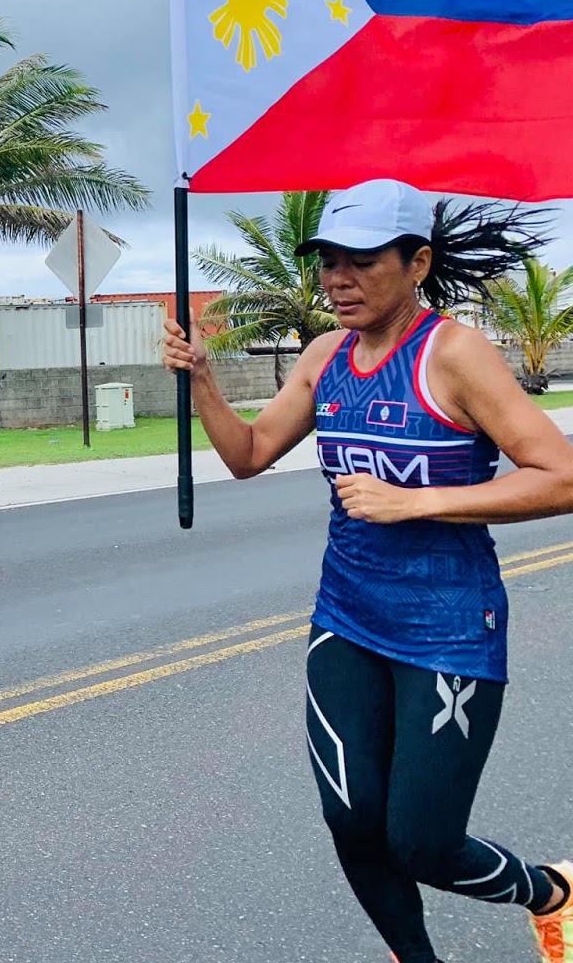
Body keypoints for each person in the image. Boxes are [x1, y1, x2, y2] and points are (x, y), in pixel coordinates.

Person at [162, 178, 573, 963]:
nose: (338, 280)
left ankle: (551, 893)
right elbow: (247, 456)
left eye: (361, 262)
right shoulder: (326, 356)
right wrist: (205, 383)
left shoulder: (454, 354)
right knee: (352, 820)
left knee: (421, 842)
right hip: (346, 619)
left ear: (417, 262)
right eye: (327, 262)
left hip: (449, 628)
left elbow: (560, 475)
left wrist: (415, 503)